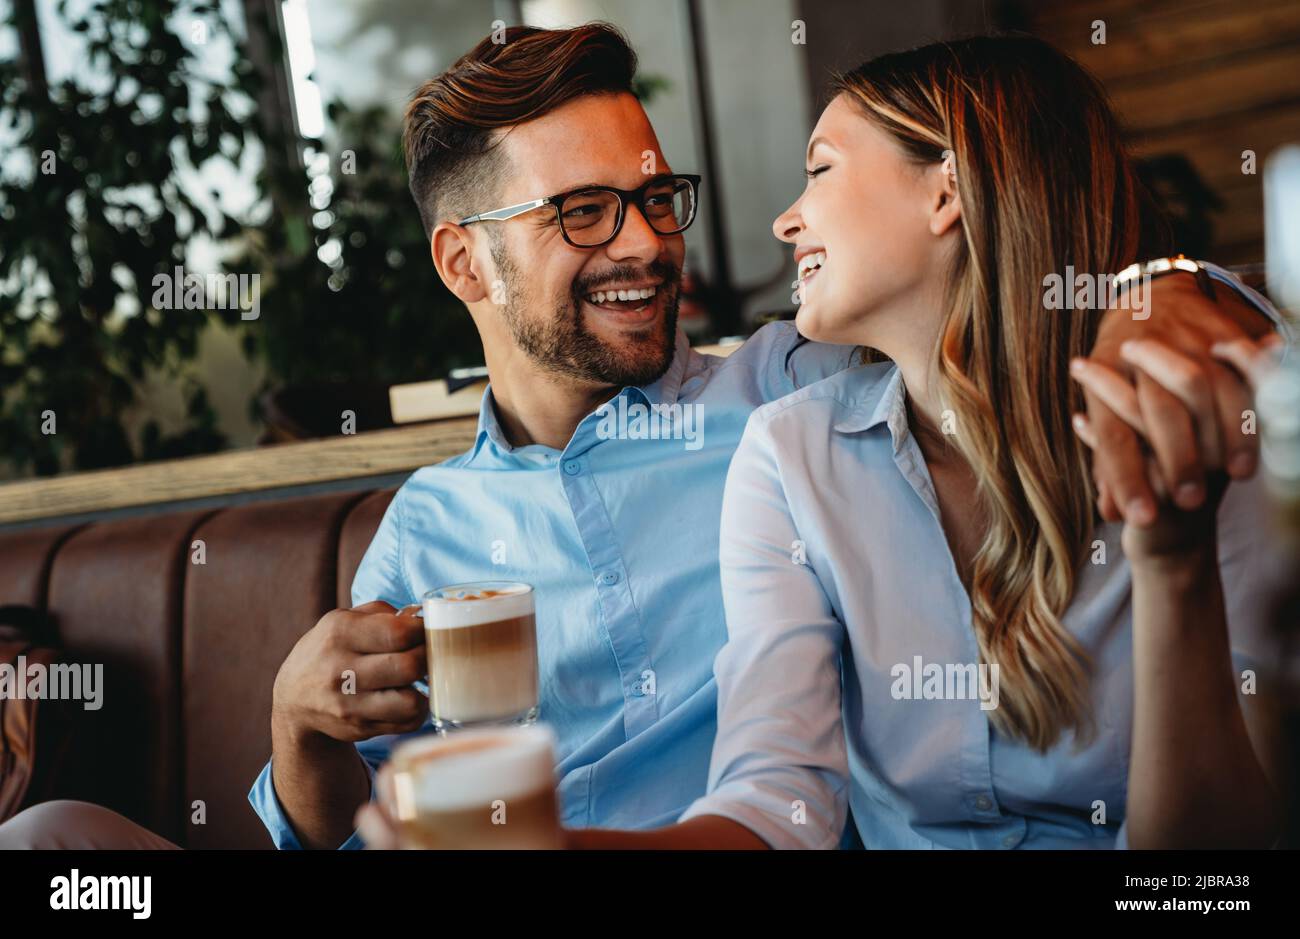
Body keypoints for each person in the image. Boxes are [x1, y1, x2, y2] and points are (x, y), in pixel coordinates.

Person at [0, 25, 1282, 851]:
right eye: (586, 211)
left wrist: (1162, 284)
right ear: (466, 261)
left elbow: (1008, 293)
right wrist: (294, 732)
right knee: (52, 843)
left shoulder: (788, 396)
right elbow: (333, 829)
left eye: (656, 198)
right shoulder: (424, 528)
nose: (648, 241)